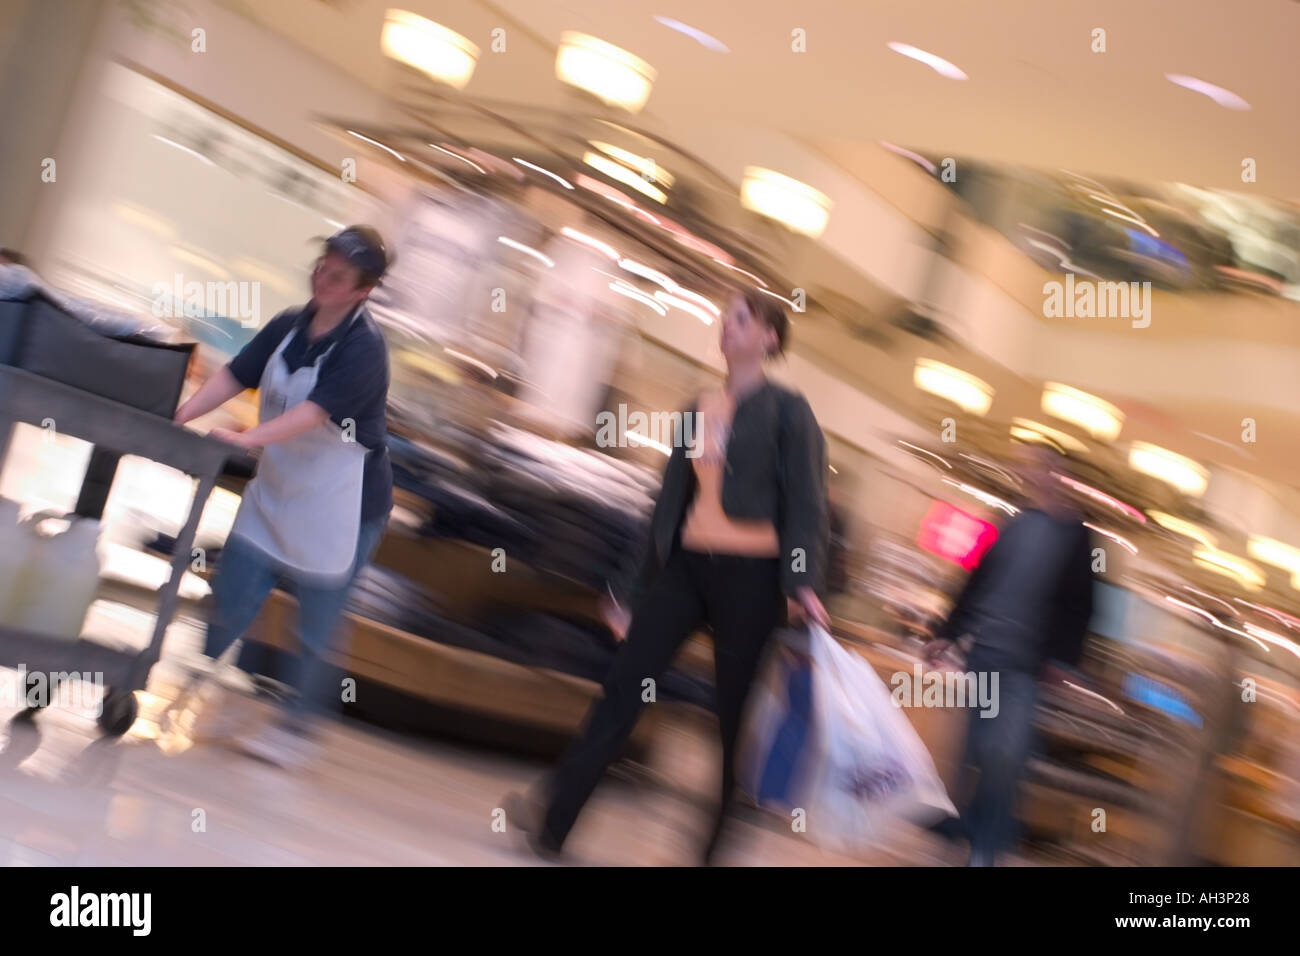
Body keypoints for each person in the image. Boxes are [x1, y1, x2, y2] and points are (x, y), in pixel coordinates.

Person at [505, 289, 831, 864]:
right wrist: (630, 589)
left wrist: (801, 582)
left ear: (769, 337)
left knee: (733, 723)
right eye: (725, 318)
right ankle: (554, 825)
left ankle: (711, 855)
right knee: (621, 692)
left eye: (739, 319)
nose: (725, 327)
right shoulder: (699, 407)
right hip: (686, 570)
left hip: (753, 584)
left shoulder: (790, 411)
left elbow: (807, 505)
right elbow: (665, 506)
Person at [168, 226, 394, 767]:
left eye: (338, 274)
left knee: (315, 627)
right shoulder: (289, 326)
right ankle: (205, 687)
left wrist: (246, 439)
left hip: (343, 507)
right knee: (233, 590)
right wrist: (179, 416)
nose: (323, 276)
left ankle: (296, 734)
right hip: (280, 487)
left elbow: (311, 414)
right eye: (323, 263)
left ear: (361, 290)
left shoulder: (365, 350)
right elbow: (236, 375)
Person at [923, 441, 1095, 866]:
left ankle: (986, 847)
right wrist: (945, 634)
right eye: (1023, 466)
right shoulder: (1010, 523)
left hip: (1024, 670)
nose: (1026, 473)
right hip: (983, 657)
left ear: (1055, 473)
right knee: (969, 756)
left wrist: (1063, 661)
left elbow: (1082, 606)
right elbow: (975, 584)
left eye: (1035, 466)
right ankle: (956, 838)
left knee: (1005, 759)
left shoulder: (1077, 536)